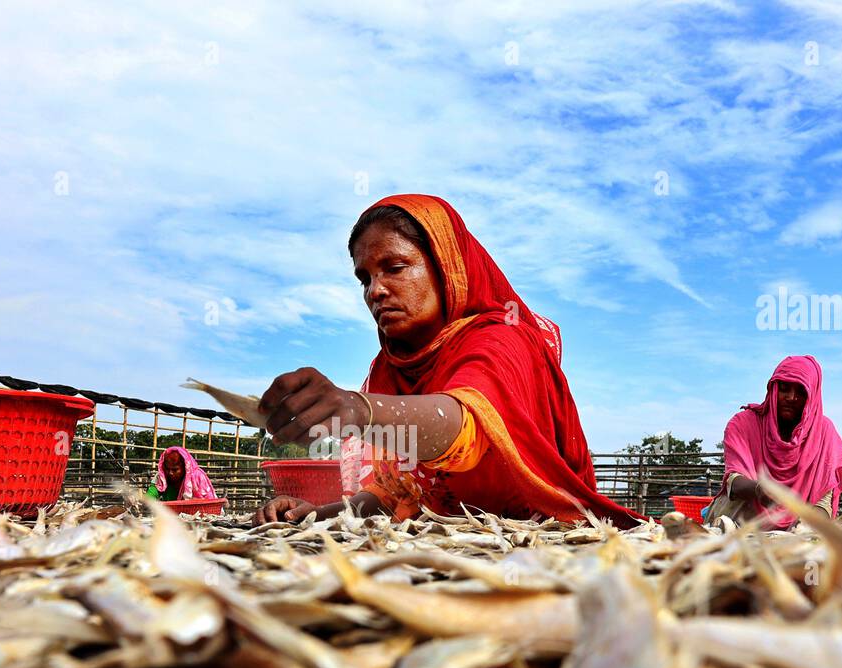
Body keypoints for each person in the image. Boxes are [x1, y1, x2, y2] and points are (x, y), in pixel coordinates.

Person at [251, 194, 644, 527]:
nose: (376, 290)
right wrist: (315, 517)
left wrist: (359, 408)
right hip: (447, 554)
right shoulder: (390, 370)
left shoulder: (502, 340)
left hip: (530, 552)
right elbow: (399, 493)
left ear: (446, 267)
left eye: (395, 267)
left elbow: (467, 425)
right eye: (364, 278)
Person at [705, 355, 842, 528]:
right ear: (773, 388)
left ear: (813, 396)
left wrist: (805, 528)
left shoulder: (824, 432)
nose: (791, 397)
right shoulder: (743, 424)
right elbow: (734, 480)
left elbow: (825, 497)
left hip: (797, 530)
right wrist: (759, 490)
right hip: (741, 524)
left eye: (801, 392)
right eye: (784, 388)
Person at [145, 446, 217, 502]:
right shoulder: (162, 476)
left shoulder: (198, 477)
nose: (170, 473)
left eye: (175, 469)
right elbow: (152, 492)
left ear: (185, 467)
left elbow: (209, 500)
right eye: (167, 469)